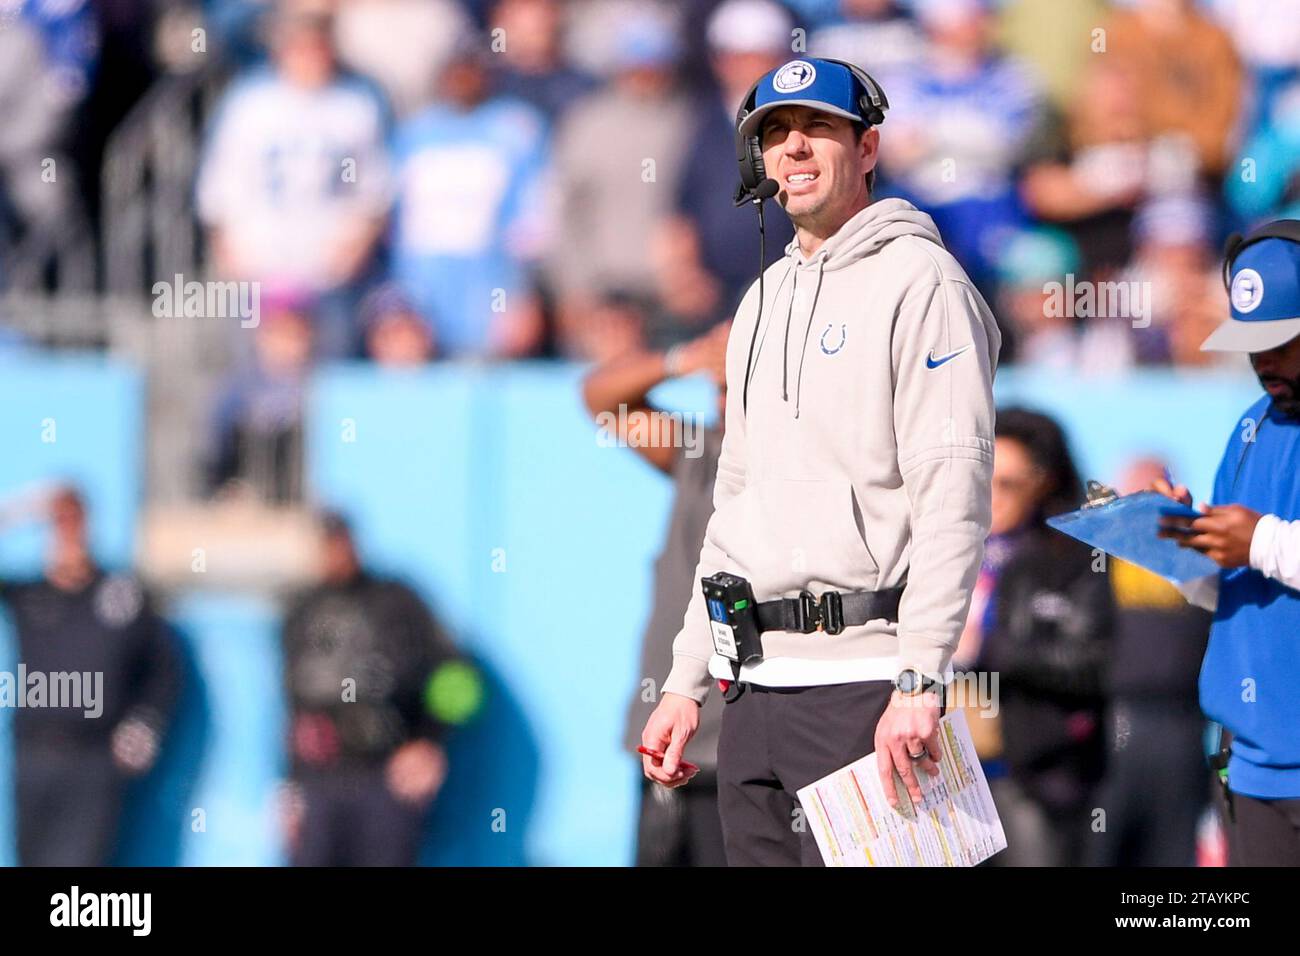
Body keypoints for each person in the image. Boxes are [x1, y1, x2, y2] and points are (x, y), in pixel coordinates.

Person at [640, 56, 1001, 866]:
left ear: (868, 148)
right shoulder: (761, 300)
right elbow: (733, 507)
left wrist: (919, 680)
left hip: (871, 688)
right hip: (754, 694)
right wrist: (684, 680)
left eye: (818, 128)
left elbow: (955, 495)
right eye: (773, 133)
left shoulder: (924, 282)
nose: (793, 147)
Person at [1154, 219, 1300, 865]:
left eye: (1283, 341)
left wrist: (1260, 540)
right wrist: (1186, 546)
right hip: (1249, 764)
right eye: (1253, 343)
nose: (1263, 360)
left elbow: (1261, 549)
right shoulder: (1251, 423)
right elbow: (1225, 593)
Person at [583, 321, 730, 866]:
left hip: (744, 738)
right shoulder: (701, 453)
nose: (726, 400)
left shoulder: (807, 470)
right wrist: (684, 358)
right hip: (670, 733)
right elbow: (600, 397)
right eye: (719, 386)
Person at [280, 513, 481, 866]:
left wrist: (430, 742)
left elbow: (458, 676)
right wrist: (290, 786)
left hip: (384, 783)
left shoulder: (397, 602)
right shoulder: (301, 612)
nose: (331, 554)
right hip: (321, 786)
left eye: (337, 542)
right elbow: (294, 709)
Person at [0, 487, 180, 866]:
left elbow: (163, 671)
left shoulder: (121, 596)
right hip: (33, 760)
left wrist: (143, 726)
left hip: (93, 765)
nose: (67, 534)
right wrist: (22, 509)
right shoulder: (29, 594)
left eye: (73, 521)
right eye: (58, 523)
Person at [974, 409, 1113, 867]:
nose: (991, 497)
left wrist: (991, 648)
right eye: (983, 479)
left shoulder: (1074, 557)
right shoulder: (945, 552)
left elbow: (1092, 661)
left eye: (1009, 484)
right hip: (949, 780)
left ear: (1046, 482)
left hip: (1034, 779)